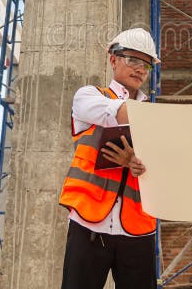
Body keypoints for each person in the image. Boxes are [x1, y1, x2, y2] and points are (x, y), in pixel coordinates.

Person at [58, 28, 157, 289]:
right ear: (113, 60)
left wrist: (139, 163)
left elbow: (164, 167)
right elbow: (117, 114)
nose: (140, 69)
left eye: (146, 64)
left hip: (137, 228)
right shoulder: (89, 97)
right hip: (89, 224)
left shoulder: (153, 116)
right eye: (133, 60)